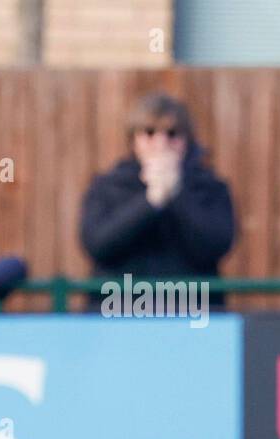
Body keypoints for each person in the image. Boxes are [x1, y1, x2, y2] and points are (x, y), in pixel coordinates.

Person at [79, 92, 235, 307]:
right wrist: (150, 202)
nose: (161, 143)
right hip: (118, 313)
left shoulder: (209, 188)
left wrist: (176, 195)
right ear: (133, 140)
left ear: (186, 140)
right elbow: (98, 244)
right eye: (150, 133)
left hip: (193, 315)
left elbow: (215, 245)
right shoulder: (108, 186)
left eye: (172, 134)